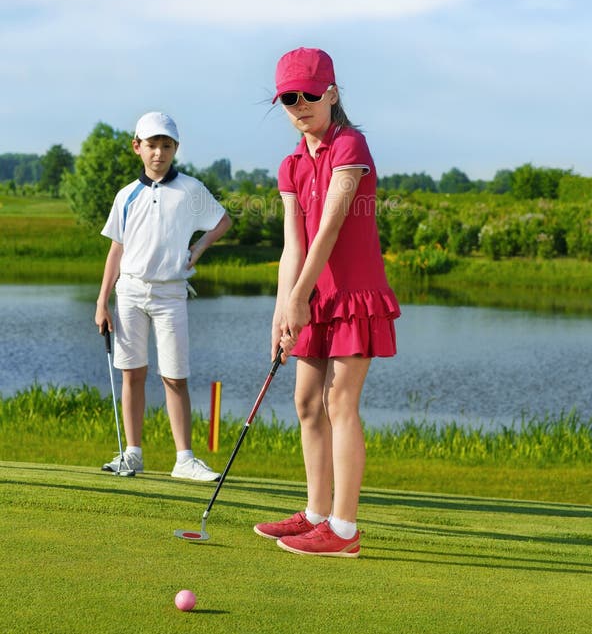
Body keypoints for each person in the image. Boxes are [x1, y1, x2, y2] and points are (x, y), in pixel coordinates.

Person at [254, 47, 400, 557]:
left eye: (308, 95)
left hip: (354, 294)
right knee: (305, 403)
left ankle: (344, 530)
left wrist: (297, 300)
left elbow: (332, 226)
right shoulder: (291, 164)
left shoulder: (349, 145)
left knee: (340, 402)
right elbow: (293, 245)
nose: (298, 105)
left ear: (332, 93)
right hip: (310, 296)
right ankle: (316, 513)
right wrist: (281, 311)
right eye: (287, 98)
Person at [95, 111, 232, 481]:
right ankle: (133, 455)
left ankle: (184, 459)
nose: (159, 152)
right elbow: (116, 251)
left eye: (166, 145)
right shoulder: (127, 195)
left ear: (175, 149)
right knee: (132, 374)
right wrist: (101, 301)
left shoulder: (189, 189)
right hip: (130, 293)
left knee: (175, 376)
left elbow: (223, 220)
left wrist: (199, 246)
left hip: (171, 293)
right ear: (137, 147)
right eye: (152, 145)